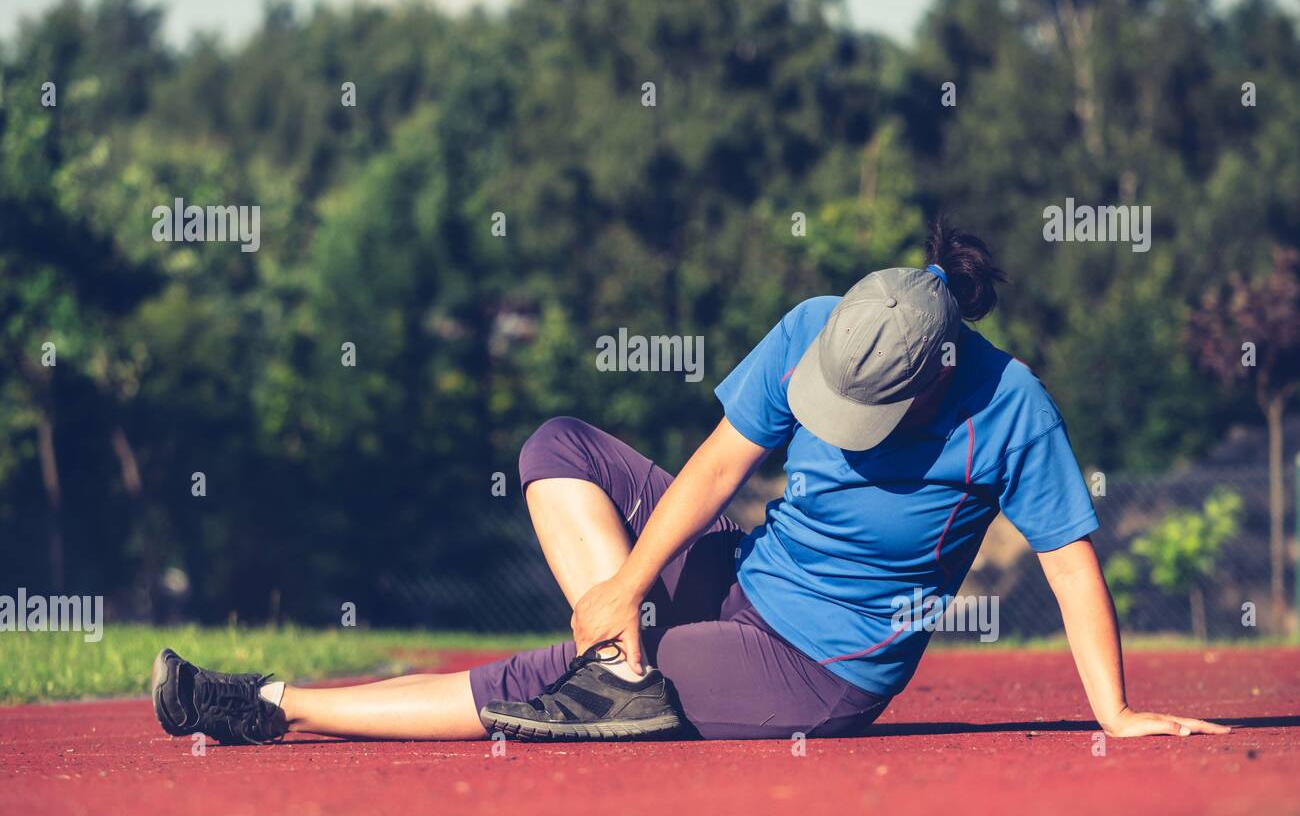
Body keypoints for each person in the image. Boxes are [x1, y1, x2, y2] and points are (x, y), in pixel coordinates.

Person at [152, 223, 1228, 745]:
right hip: (748, 580)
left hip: (820, 671)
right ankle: (619, 668)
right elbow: (718, 466)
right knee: (557, 444)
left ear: (939, 372)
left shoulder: (1011, 408)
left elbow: (1074, 568)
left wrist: (1118, 711)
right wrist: (627, 589)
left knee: (540, 674)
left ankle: (272, 705)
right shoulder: (817, 326)